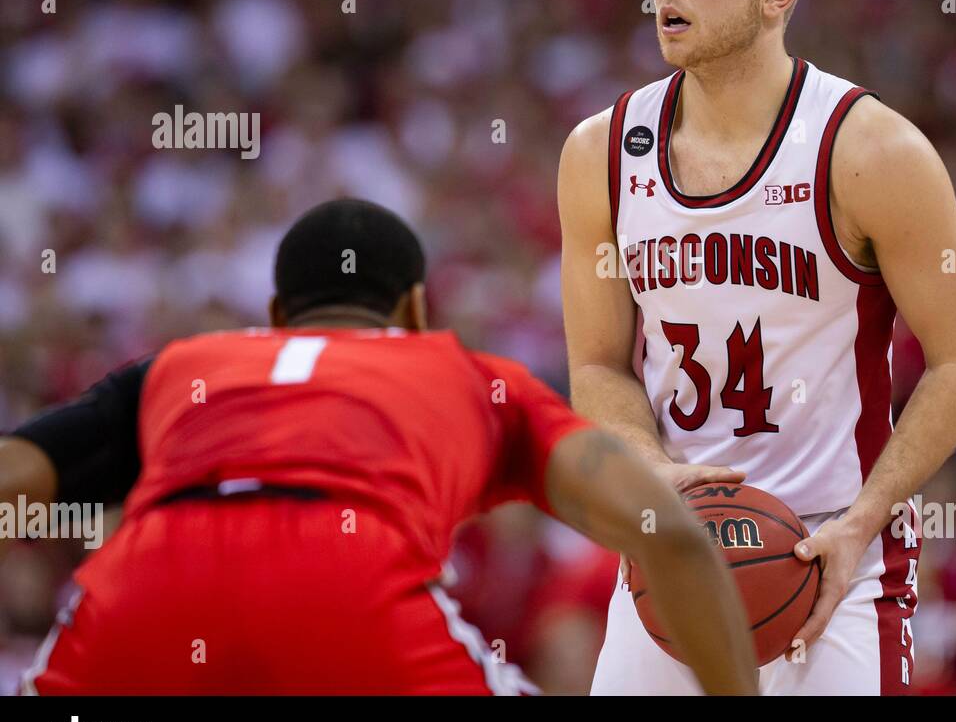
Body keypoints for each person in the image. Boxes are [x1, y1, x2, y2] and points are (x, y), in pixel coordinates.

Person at [0, 198, 757, 695]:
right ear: (415, 310)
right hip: (348, 582)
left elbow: (12, 478)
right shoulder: (466, 373)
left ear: (275, 314)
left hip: (148, 592)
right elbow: (673, 535)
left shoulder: (181, 364)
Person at [558, 0, 956, 694]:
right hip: (674, 547)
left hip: (837, 551)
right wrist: (647, 463)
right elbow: (597, 367)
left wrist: (869, 516)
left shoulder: (873, 152)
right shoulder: (600, 153)